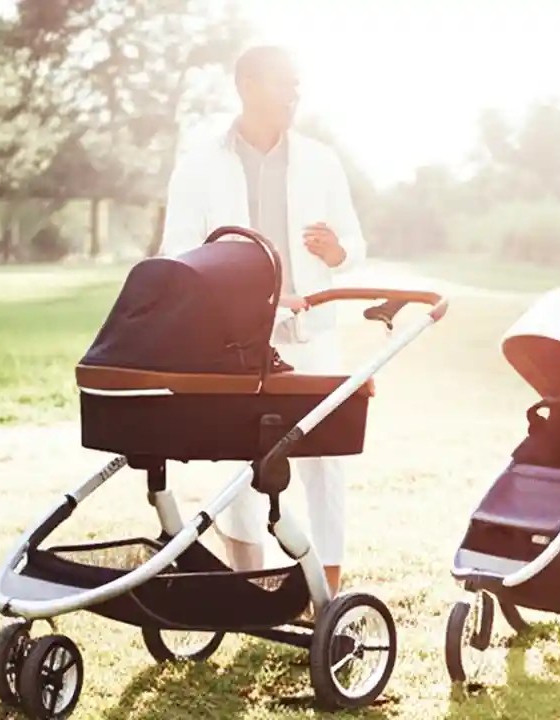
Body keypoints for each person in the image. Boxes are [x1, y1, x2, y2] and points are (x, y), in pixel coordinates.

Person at [159, 45, 366, 596]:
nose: (296, 95)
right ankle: (250, 584)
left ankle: (325, 591)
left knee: (327, 456)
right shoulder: (199, 162)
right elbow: (176, 253)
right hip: (236, 338)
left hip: (311, 332)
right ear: (249, 84)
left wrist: (337, 252)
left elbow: (356, 243)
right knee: (242, 456)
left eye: (299, 85)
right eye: (285, 84)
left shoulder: (321, 161)